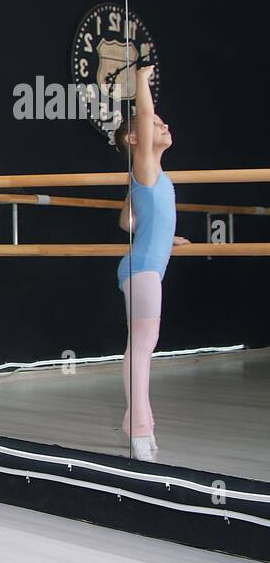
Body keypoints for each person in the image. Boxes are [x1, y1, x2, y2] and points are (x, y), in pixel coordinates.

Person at [114, 64, 188, 461]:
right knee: (142, 346)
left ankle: (136, 423)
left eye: (160, 122)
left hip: (144, 263)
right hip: (142, 268)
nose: (162, 125)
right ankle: (139, 428)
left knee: (142, 345)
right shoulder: (144, 166)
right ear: (134, 138)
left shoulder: (150, 174)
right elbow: (142, 115)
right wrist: (141, 80)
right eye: (154, 122)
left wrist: (164, 235)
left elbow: (127, 220)